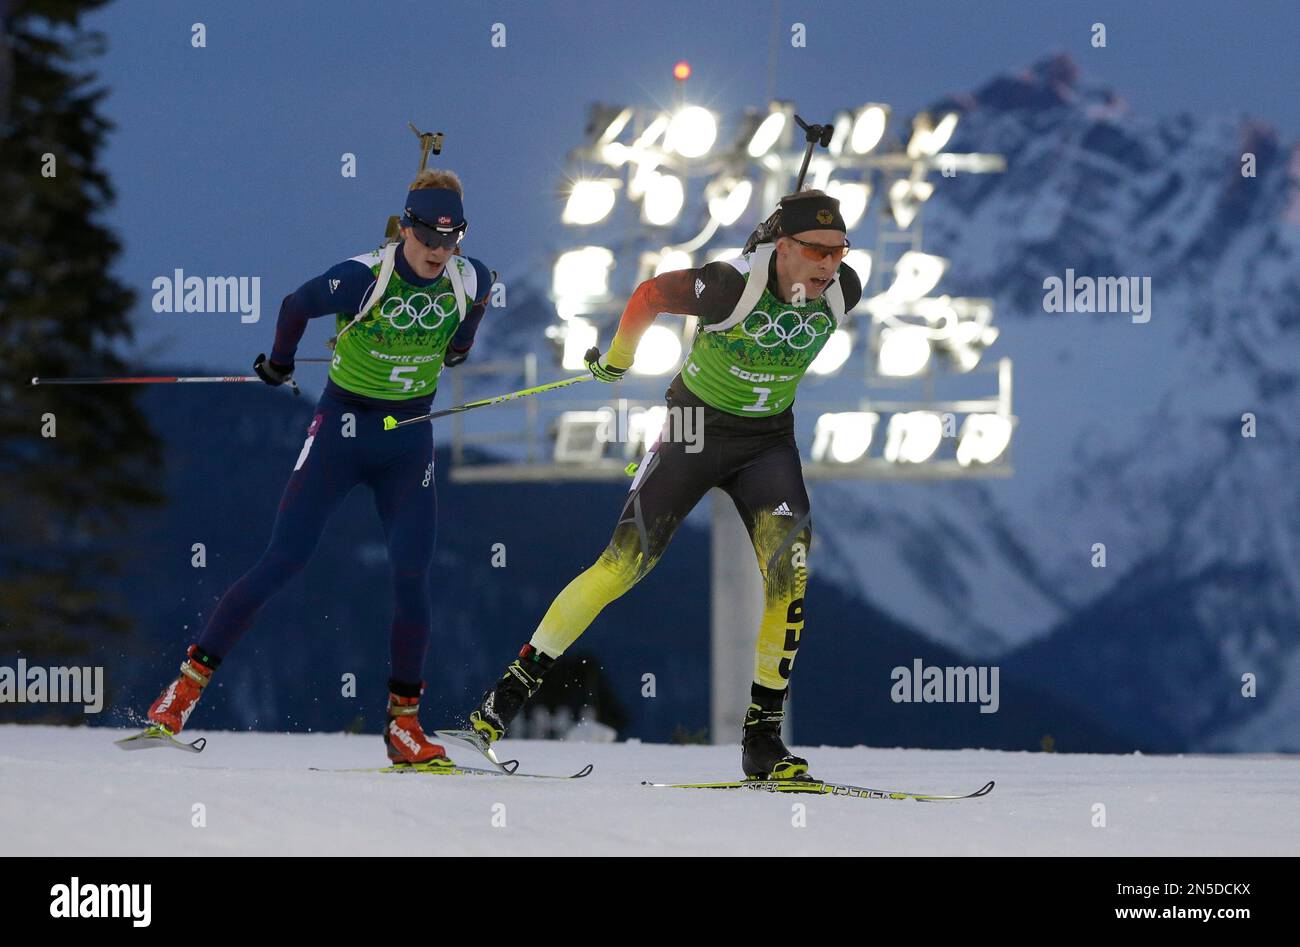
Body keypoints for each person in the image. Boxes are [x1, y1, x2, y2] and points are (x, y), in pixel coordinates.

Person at [465, 189, 861, 779]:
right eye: (816, 250)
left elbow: (815, 279)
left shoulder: (845, 289)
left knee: (791, 575)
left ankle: (762, 741)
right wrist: (620, 359)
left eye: (840, 250)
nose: (830, 265)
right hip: (693, 429)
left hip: (767, 443)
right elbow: (649, 294)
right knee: (622, 565)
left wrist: (807, 260)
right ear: (783, 246)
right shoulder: (729, 285)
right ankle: (504, 700)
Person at [142, 169, 493, 767]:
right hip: (341, 430)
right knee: (284, 560)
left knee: (413, 577)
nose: (439, 251)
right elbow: (295, 304)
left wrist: (457, 348)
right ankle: (182, 691)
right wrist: (279, 365)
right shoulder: (363, 276)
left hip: (408, 441)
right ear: (405, 227)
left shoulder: (471, 277)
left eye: (450, 238)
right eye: (428, 237)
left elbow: (472, 317)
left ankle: (404, 725)